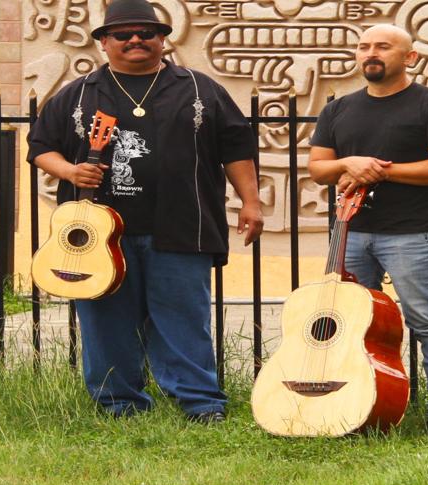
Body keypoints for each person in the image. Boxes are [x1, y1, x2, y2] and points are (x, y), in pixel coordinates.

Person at [27, 0, 262, 422]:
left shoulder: (199, 88)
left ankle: (200, 405)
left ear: (163, 40)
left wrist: (251, 201)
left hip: (182, 225)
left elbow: (237, 149)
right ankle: (119, 405)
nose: (135, 40)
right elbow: (42, 148)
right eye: (122, 34)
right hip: (95, 234)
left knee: (183, 319)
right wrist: (70, 171)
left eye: (146, 32)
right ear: (103, 43)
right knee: (105, 322)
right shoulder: (78, 94)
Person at [307, 24, 428, 435]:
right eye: (364, 47)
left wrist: (379, 170)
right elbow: (317, 168)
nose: (371, 53)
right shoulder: (338, 109)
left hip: (412, 234)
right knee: (346, 324)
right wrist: (348, 164)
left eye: (383, 46)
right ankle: (355, 408)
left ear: (409, 57)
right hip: (351, 231)